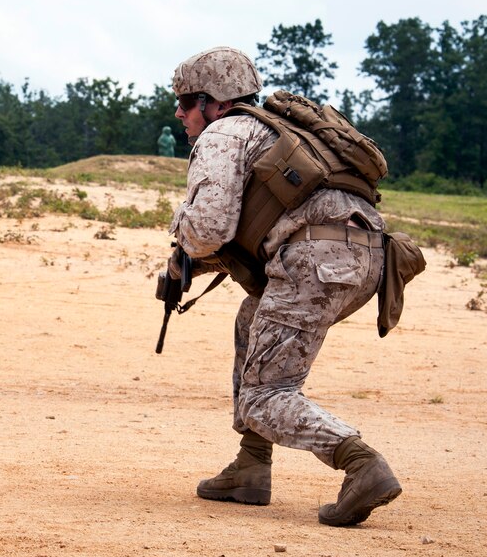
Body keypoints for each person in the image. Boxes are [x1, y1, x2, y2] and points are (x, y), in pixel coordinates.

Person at [167, 46, 401, 526]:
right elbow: (254, 226)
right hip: (368, 258)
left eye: (188, 102)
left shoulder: (224, 133)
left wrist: (179, 239)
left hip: (313, 261)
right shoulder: (274, 130)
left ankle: (359, 462)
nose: (180, 112)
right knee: (253, 320)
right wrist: (182, 268)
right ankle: (250, 465)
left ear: (215, 102)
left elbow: (209, 228)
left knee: (265, 395)